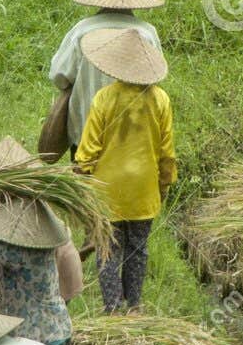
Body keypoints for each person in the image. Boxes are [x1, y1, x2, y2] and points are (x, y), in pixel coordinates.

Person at [74, 27, 176, 315]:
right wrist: (164, 184)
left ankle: (112, 307)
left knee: (108, 249)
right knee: (138, 249)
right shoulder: (160, 99)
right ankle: (134, 306)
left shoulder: (105, 98)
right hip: (144, 189)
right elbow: (167, 152)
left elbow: (89, 148)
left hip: (108, 190)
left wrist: (81, 175)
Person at [0, 137, 86, 345]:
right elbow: (11, 269)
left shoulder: (17, 250)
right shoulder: (41, 235)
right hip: (58, 332)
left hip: (37, 341)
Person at [48, 0, 164, 154]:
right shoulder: (147, 33)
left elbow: (59, 76)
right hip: (134, 135)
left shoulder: (82, 31)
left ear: (100, 1)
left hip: (85, 132)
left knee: (86, 181)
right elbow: (156, 76)